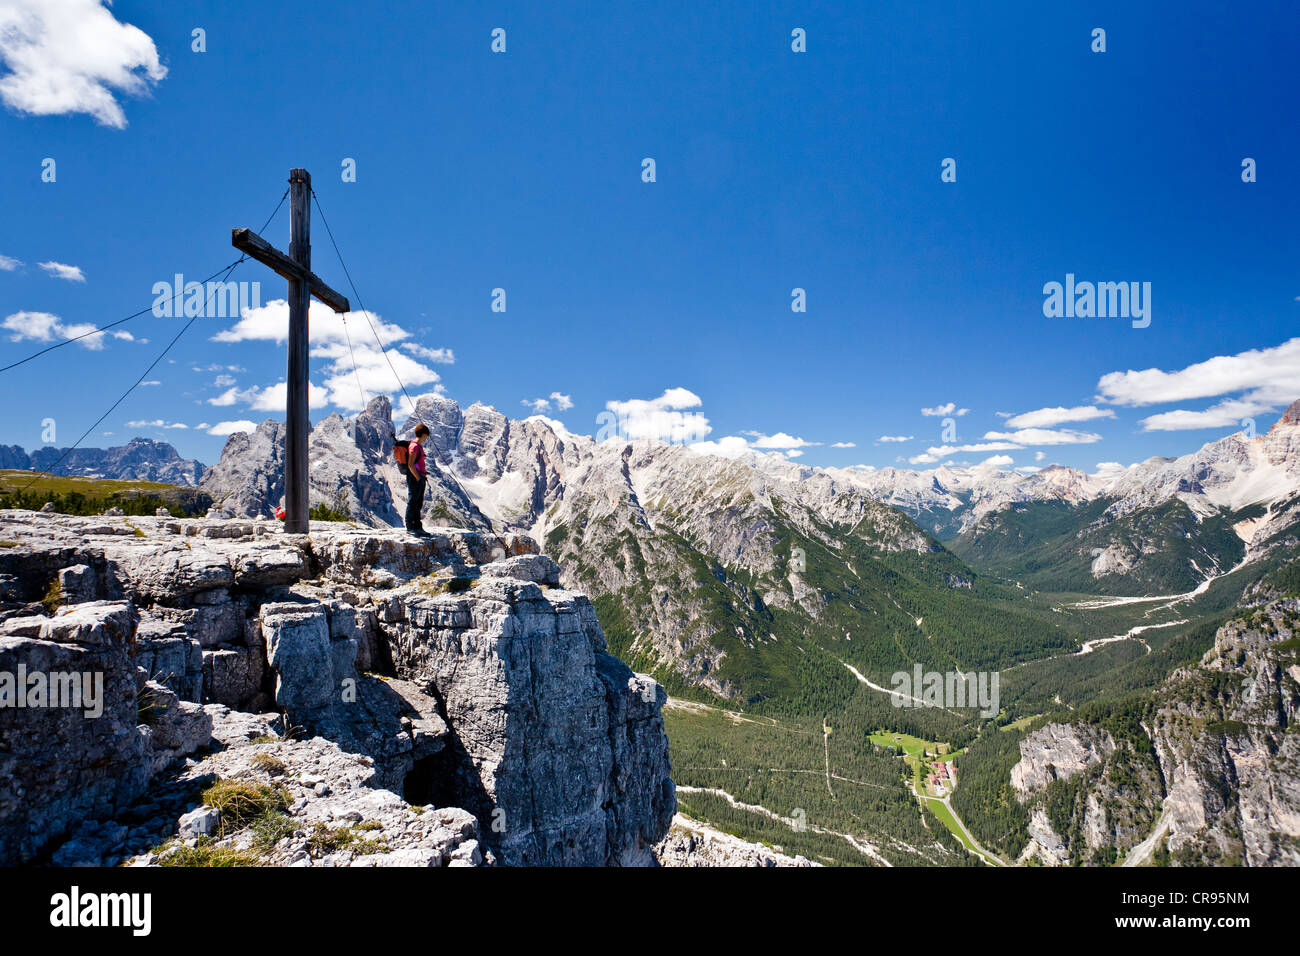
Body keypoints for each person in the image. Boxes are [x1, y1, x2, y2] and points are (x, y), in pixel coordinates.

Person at [404, 423, 431, 536]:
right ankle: (410, 527)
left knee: (418, 503)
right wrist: (418, 478)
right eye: (426, 435)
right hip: (415, 478)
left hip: (420, 477)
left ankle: (418, 527)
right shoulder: (414, 446)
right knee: (413, 502)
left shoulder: (419, 446)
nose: (427, 438)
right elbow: (410, 464)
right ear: (423, 434)